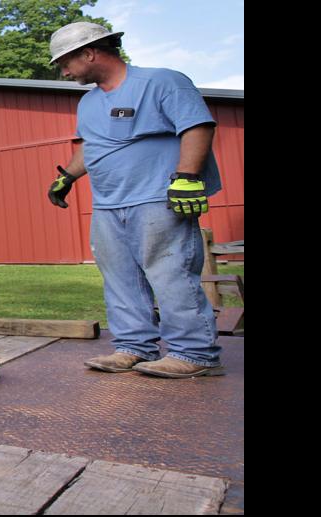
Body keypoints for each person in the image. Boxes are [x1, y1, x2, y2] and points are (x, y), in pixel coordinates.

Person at [45, 22, 225, 378]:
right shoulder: (89, 102)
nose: (64, 71)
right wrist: (67, 175)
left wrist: (187, 178)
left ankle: (195, 354)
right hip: (109, 204)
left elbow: (197, 126)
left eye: (65, 62)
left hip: (157, 197)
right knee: (119, 277)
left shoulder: (161, 81)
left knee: (170, 272)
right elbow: (94, 147)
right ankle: (133, 347)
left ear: (89, 52)